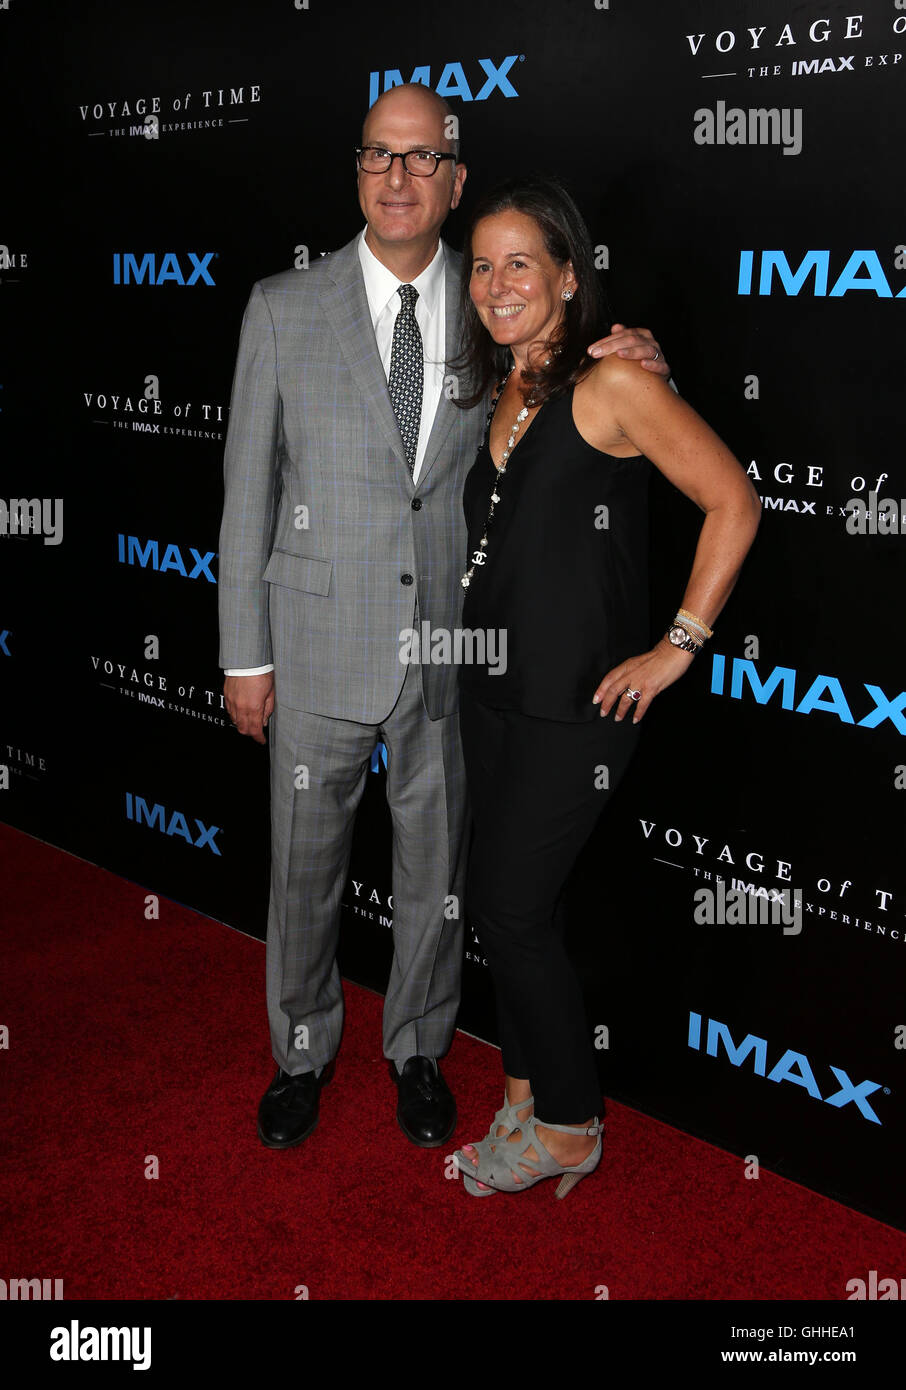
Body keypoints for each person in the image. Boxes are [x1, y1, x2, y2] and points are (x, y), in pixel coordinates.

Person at [218, 85, 670, 1154]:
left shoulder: (490, 314)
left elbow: (570, 398)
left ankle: (416, 1046)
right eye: (380, 153)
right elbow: (246, 497)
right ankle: (300, 1052)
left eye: (424, 158)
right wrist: (246, 656)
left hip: (453, 658)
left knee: (439, 875)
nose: (400, 176)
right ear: (358, 169)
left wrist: (640, 357)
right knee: (302, 873)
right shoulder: (283, 306)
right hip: (318, 647)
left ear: (455, 181)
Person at [451, 177, 761, 1197]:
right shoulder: (501, 384)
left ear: (569, 277)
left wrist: (680, 642)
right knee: (505, 914)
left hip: (576, 706)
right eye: (483, 266)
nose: (498, 284)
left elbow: (733, 501)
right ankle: (528, 1092)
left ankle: (572, 1127)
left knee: (512, 908)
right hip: (491, 691)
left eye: (521, 264)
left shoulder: (613, 384)